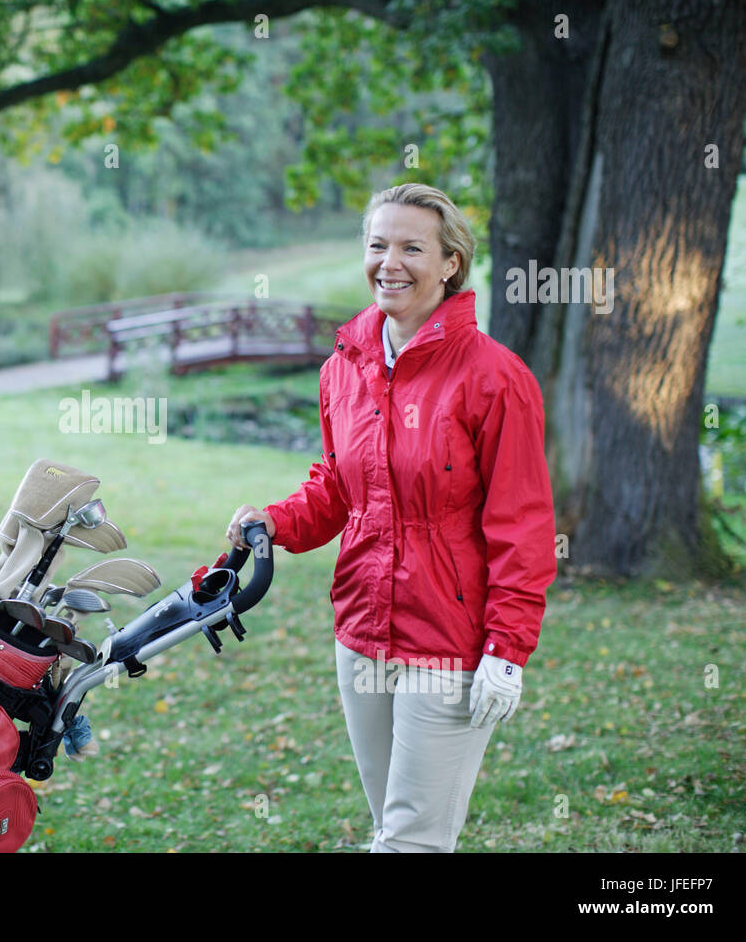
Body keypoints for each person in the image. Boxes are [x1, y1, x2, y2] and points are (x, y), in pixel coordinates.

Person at [227, 183, 557, 852]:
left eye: (412, 247)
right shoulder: (342, 372)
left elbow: (520, 523)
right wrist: (275, 520)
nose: (390, 263)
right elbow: (338, 489)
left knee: (410, 839)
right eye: (378, 245)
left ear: (450, 264)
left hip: (450, 640)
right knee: (397, 827)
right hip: (362, 633)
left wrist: (508, 648)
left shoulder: (494, 377)